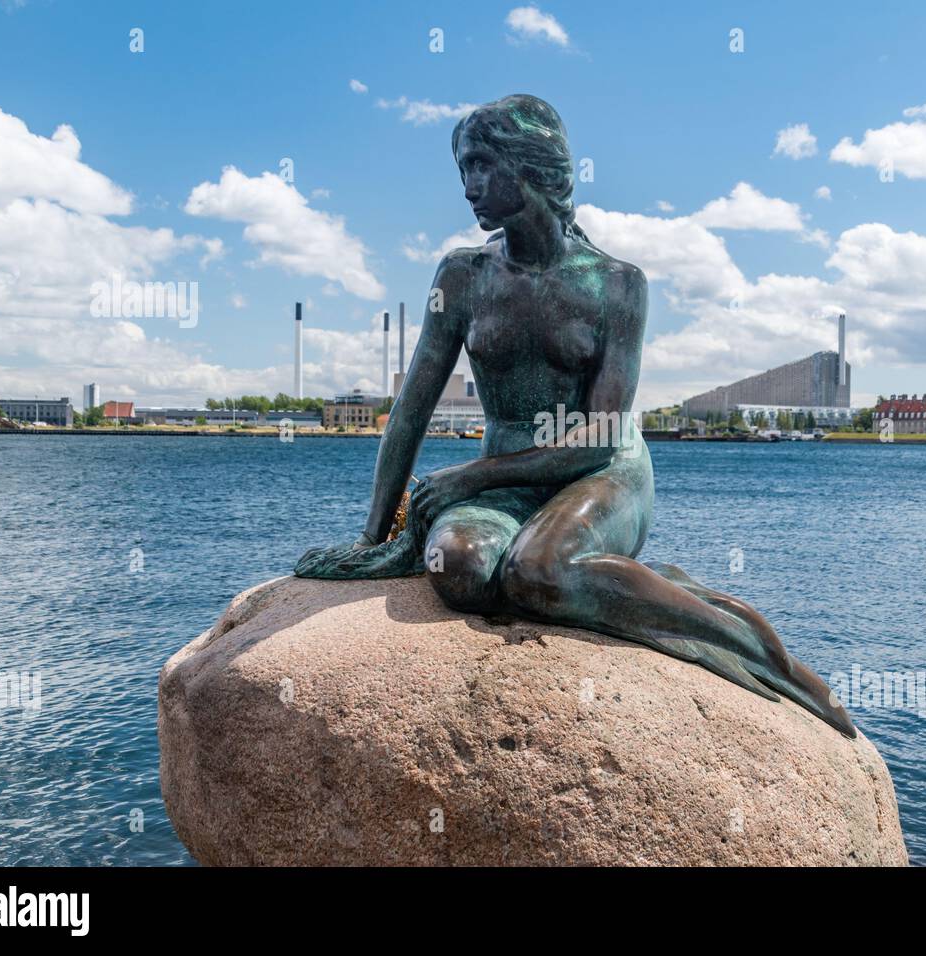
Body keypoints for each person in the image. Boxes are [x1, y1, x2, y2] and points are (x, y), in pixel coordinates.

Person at [297, 94, 855, 738]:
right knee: (461, 569)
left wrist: (467, 479)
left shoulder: (617, 284)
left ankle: (763, 653)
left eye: (479, 164)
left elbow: (599, 438)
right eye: (461, 171)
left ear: (531, 165)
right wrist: (372, 540)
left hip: (604, 474)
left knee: (539, 571)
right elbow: (411, 410)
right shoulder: (461, 276)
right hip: (507, 482)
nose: (468, 187)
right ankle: (625, 580)